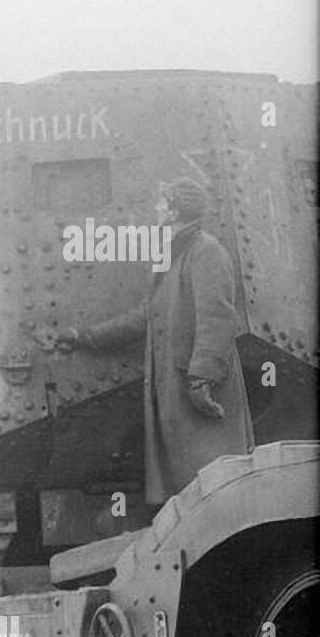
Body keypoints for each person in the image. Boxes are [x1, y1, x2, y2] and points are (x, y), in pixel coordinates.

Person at [51, 178, 253, 505]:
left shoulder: (206, 250)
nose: (156, 208)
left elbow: (216, 318)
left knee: (215, 484)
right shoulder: (170, 254)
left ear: (174, 210)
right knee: (193, 486)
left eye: (162, 203)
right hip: (178, 388)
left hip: (198, 387)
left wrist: (203, 379)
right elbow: (146, 314)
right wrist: (86, 337)